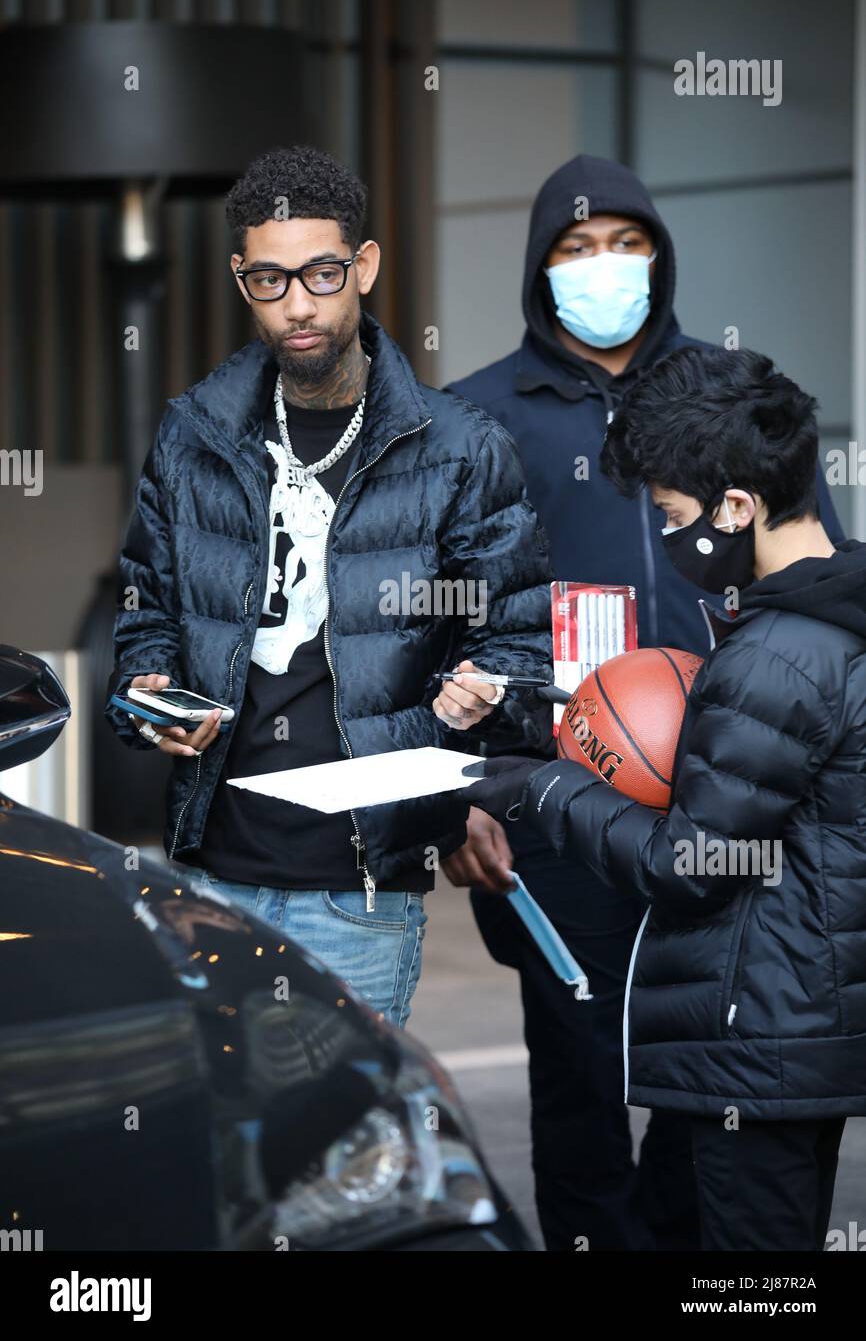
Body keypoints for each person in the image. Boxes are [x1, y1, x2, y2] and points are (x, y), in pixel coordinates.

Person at [444, 154, 844, 1251]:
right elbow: (428, 633)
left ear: (658, 260)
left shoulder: (733, 391)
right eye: (574, 250)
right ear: (539, 270)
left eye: (622, 244)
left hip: (722, 802)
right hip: (558, 806)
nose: (601, 267)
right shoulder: (469, 420)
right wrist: (464, 801)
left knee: (705, 1083)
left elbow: (814, 580)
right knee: (577, 1083)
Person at [104, 145, 552, 1028]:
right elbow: (143, 612)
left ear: (365, 266)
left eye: (321, 272)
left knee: (339, 1146)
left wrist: (480, 698)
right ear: (242, 281)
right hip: (208, 873)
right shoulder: (195, 434)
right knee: (220, 1148)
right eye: (270, 279)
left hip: (359, 890)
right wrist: (148, 691)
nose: (298, 304)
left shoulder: (460, 447)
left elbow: (521, 645)